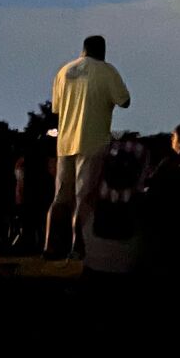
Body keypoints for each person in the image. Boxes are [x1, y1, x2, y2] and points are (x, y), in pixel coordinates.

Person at [46, 34, 131, 258]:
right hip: (92, 142)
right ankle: (79, 247)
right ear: (101, 50)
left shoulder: (64, 71)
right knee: (85, 198)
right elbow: (124, 101)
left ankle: (52, 246)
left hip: (64, 143)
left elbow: (56, 108)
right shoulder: (107, 70)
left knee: (61, 196)